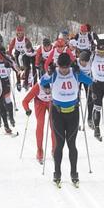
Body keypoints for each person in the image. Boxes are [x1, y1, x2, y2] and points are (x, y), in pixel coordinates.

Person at [40, 53, 93, 188]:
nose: (64, 70)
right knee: (59, 144)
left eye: (66, 67)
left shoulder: (74, 73)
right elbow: (42, 82)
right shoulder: (55, 73)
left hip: (73, 113)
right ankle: (57, 173)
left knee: (71, 144)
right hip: (57, 113)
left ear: (69, 65)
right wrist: (49, 72)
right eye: (62, 67)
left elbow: (90, 81)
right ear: (58, 66)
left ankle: (74, 173)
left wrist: (80, 71)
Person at [22, 80, 52, 164]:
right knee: (40, 124)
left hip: (51, 102)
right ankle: (39, 150)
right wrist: (27, 109)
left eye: (49, 90)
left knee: (54, 125)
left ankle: (54, 149)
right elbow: (25, 101)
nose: (47, 91)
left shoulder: (55, 84)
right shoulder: (37, 87)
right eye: (45, 90)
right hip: (39, 103)